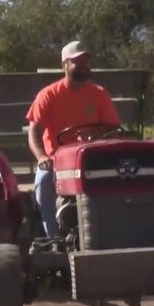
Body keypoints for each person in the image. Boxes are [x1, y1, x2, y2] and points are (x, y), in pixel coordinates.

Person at [25, 40, 122, 237]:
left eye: (86, 60)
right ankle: (52, 236)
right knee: (43, 182)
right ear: (65, 65)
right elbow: (34, 131)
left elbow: (113, 128)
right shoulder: (48, 95)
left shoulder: (99, 94)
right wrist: (42, 156)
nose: (84, 65)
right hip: (57, 160)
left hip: (93, 158)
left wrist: (97, 134)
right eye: (77, 61)